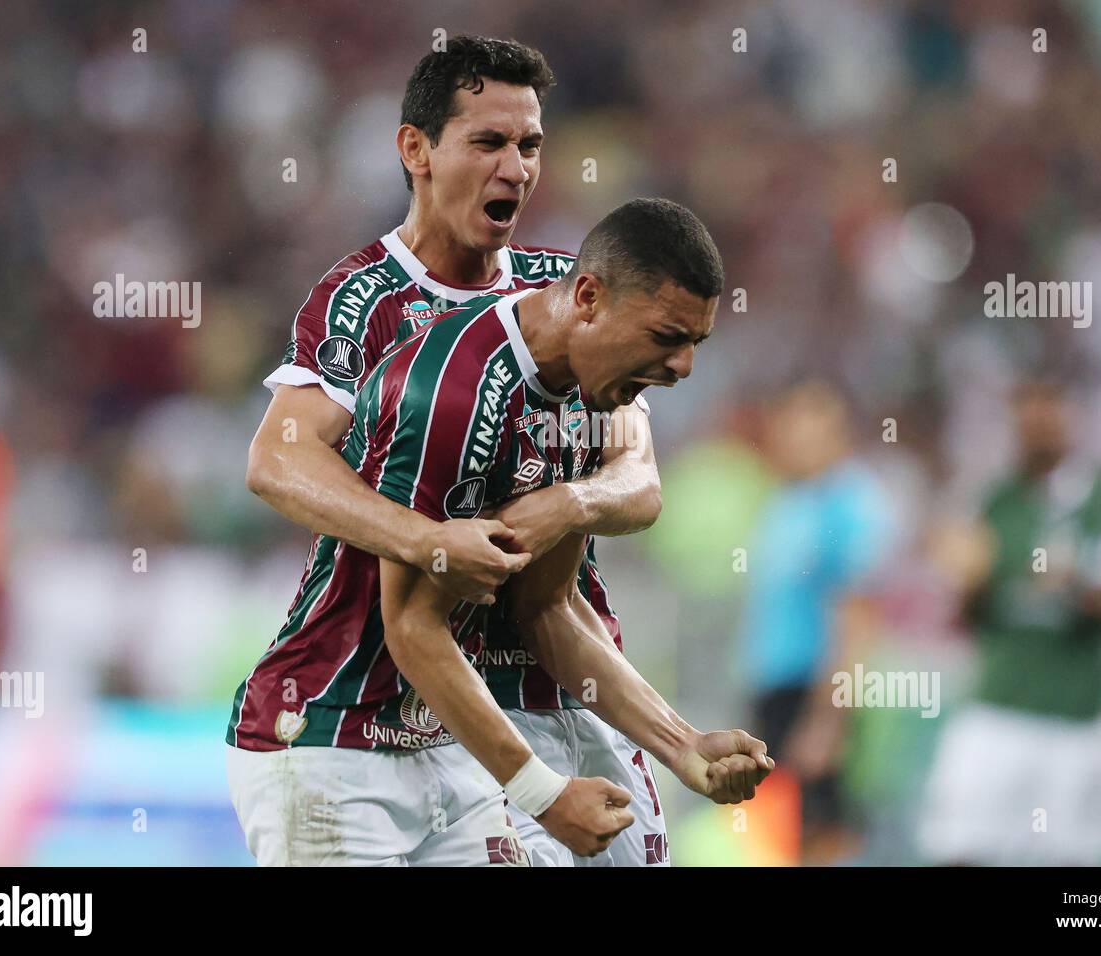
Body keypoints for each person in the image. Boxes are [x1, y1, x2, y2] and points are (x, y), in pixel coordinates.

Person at [227, 198, 772, 866]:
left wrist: (683, 743)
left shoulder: (586, 387)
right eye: (666, 339)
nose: (684, 367)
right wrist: (543, 792)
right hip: (328, 729)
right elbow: (413, 625)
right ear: (590, 300)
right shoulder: (451, 387)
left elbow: (548, 603)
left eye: (696, 344)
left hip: (443, 740)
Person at [232, 36, 667, 864]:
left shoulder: (560, 289)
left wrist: (570, 504)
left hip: (514, 699)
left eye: (530, 145)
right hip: (364, 699)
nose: (516, 168)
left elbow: (638, 475)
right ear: (415, 150)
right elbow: (277, 459)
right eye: (489, 142)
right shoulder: (365, 298)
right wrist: (430, 543)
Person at [917, 379, 1101, 865]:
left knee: (1067, 858)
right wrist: (972, 582)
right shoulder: (994, 501)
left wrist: (1071, 583)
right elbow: (966, 614)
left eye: (1047, 421)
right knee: (958, 848)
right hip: (999, 706)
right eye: (1027, 423)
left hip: (1076, 719)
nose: (1036, 434)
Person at [738, 380, 893, 864]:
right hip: (776, 690)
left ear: (836, 431)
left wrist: (829, 719)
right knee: (781, 835)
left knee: (823, 837)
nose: (793, 438)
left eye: (808, 426)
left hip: (813, 693)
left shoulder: (848, 503)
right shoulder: (788, 499)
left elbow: (857, 618)